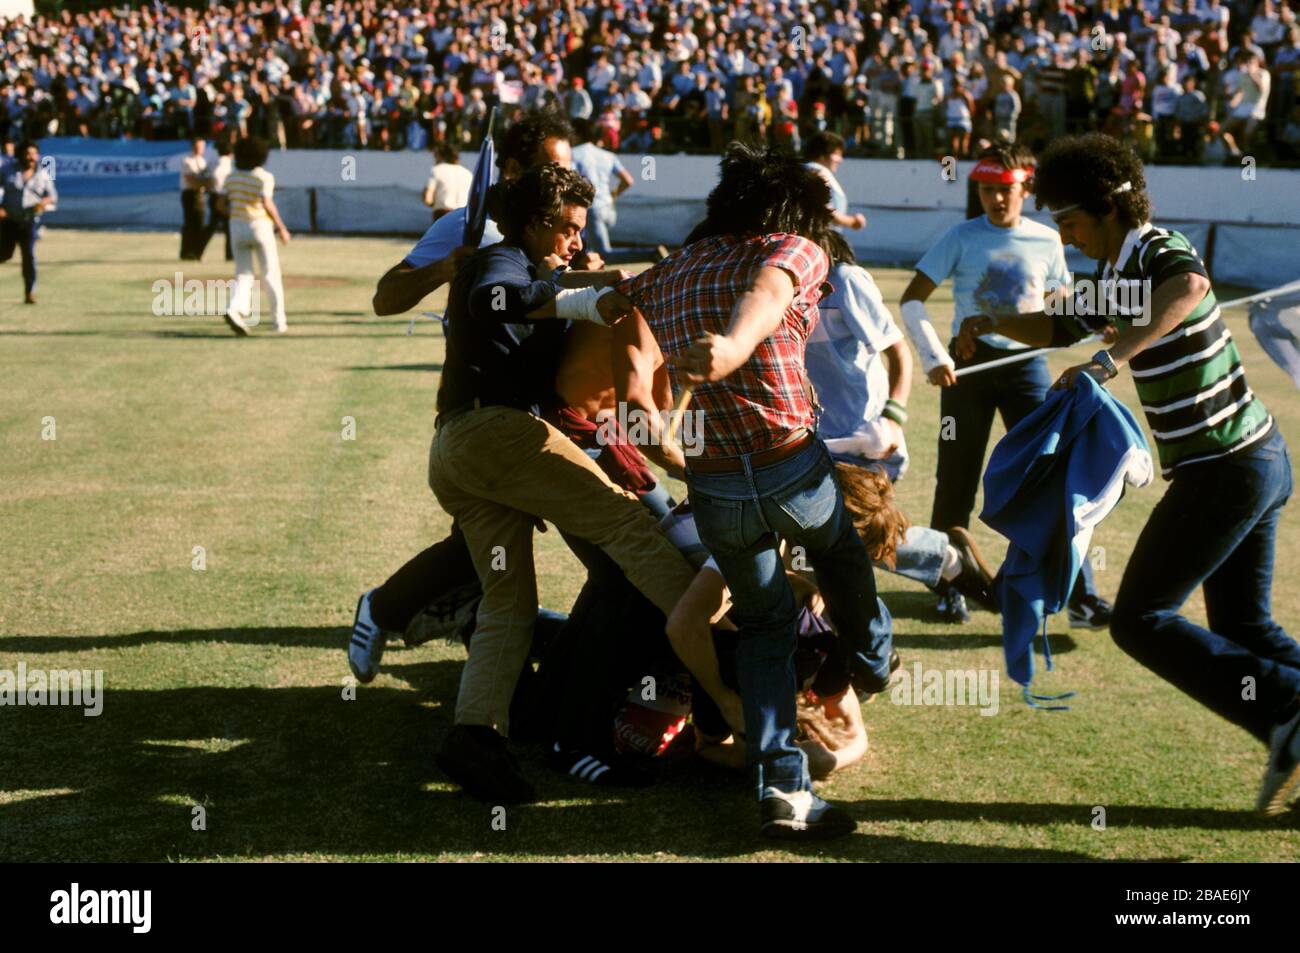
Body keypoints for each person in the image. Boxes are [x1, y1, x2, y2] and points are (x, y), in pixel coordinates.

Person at [957, 132, 1300, 817]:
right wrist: (987, 320)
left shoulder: (1153, 248)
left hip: (1228, 466)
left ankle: (1288, 722)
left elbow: (1189, 287)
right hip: (1251, 460)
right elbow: (1058, 329)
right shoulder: (1113, 275)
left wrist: (1113, 359)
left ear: (1110, 206)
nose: (1070, 236)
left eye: (1073, 220)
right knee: (1246, 627)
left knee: (1139, 619)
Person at [612, 143, 892, 839]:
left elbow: (608, 298)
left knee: (765, 625)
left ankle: (782, 788)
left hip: (715, 490)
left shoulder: (668, 271)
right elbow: (766, 294)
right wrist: (736, 346)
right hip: (787, 462)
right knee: (841, 558)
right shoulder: (798, 248)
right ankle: (872, 660)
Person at [426, 162, 699, 805]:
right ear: (533, 223)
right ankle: (711, 644)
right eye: (568, 229)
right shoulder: (502, 265)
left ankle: (475, 737)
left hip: (456, 451)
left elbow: (548, 284)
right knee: (633, 532)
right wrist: (581, 296)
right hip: (502, 436)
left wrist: (591, 281)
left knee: (509, 603)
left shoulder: (525, 264)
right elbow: (489, 300)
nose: (577, 240)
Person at [899, 141, 1112, 626]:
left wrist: (1099, 321)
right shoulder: (959, 235)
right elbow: (912, 300)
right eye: (987, 190)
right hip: (967, 367)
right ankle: (948, 583)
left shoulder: (1047, 238)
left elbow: (1058, 302)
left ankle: (1080, 595)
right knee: (956, 480)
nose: (996, 200)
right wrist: (935, 357)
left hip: (1027, 368)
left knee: (1051, 477)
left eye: (1005, 190)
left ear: (1025, 188)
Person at [805, 231, 998, 612]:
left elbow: (898, 352)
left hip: (865, 439)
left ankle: (945, 557)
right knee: (826, 539)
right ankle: (945, 558)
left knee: (848, 534)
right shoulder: (784, 289)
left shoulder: (844, 281)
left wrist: (892, 418)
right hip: (816, 440)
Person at [219, 136, 290, 335]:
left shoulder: (231, 178)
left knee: (243, 273)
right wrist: (281, 227)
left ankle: (235, 309)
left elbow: (221, 205)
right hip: (260, 226)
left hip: (236, 226)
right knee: (271, 275)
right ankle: (279, 321)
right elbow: (267, 204)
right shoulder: (263, 177)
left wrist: (235, 215)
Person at [0, 141, 57, 305]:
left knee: (29, 256)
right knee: (5, 253)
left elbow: (52, 195)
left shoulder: (44, 174)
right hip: (9, 220)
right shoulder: (7, 170)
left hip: (29, 221)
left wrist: (43, 203)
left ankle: (29, 292)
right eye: (27, 154)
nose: (31, 157)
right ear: (20, 155)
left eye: (33, 154)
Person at [570, 119, 634, 260]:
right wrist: (613, 195)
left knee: (605, 254)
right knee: (591, 252)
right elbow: (628, 180)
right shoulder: (608, 155)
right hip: (609, 208)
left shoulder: (573, 153)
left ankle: (650, 254)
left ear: (576, 135)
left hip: (591, 210)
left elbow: (570, 180)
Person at [802, 131, 866, 232]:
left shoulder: (803, 170)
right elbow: (823, 211)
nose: (840, 160)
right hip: (817, 239)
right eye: (837, 154)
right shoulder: (817, 172)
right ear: (822, 155)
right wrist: (853, 222)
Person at [198, 136, 233, 262]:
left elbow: (204, 174)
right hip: (221, 197)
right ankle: (230, 255)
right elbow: (216, 175)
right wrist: (219, 189)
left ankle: (198, 251)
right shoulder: (225, 162)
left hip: (214, 196)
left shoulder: (214, 161)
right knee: (227, 227)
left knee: (212, 227)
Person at [422, 140, 472, 221]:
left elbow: (428, 199)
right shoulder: (468, 174)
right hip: (464, 217)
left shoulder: (437, 170)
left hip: (442, 216)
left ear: (441, 156)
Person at [179, 137, 209, 260]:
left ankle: (195, 251)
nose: (199, 149)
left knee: (199, 223)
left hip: (200, 194)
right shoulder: (187, 160)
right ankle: (186, 251)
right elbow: (189, 179)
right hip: (189, 194)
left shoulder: (203, 162)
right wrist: (205, 184)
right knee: (189, 223)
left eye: (201, 147)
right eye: (197, 146)